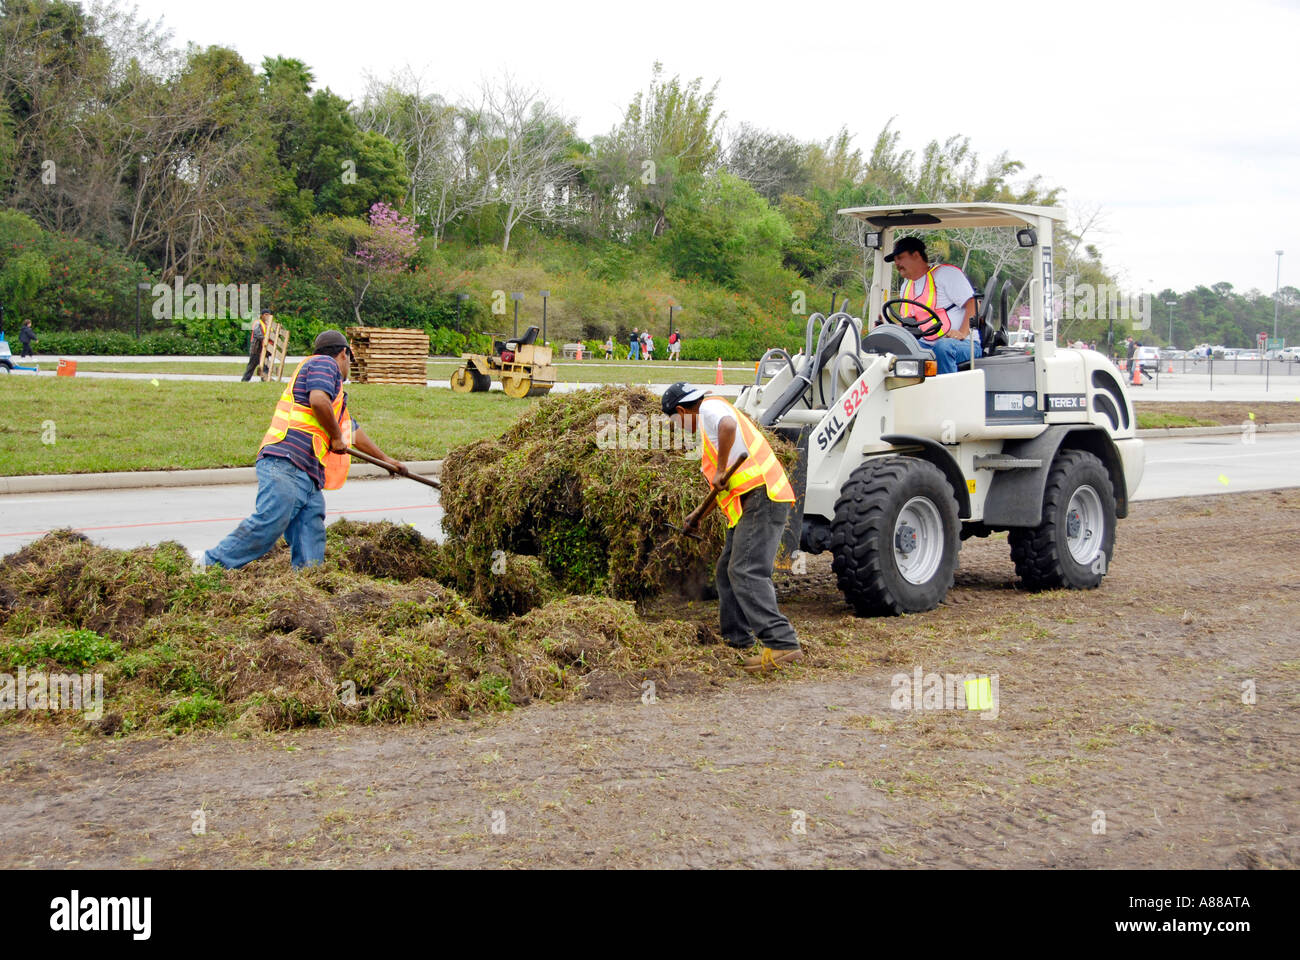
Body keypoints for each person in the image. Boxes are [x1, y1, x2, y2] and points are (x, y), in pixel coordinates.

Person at [202, 330, 408, 570]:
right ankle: (209, 564)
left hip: (308, 473)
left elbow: (350, 432)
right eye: (349, 360)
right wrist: (335, 437)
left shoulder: (335, 397)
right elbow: (318, 401)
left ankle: (310, 581)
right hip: (286, 461)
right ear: (344, 353)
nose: (348, 367)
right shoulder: (324, 364)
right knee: (271, 521)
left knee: (310, 531)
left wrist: (386, 460)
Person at [663, 382, 803, 674]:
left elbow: (728, 429)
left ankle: (781, 642)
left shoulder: (710, 409)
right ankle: (737, 639)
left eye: (676, 423)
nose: (679, 428)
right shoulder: (707, 427)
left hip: (764, 497)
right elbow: (722, 484)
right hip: (747, 505)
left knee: (746, 570)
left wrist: (721, 467)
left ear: (680, 411)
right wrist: (699, 514)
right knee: (727, 570)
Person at [885, 236, 979, 374]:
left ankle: (947, 394)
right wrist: (889, 329)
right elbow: (910, 322)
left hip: (962, 344)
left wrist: (962, 333)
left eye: (900, 257)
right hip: (925, 344)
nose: (896, 263)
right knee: (892, 350)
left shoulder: (946, 275)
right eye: (895, 260)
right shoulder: (906, 286)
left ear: (916, 255)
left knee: (943, 348)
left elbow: (973, 303)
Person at [241, 308, 273, 382]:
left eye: (268, 315)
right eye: (265, 315)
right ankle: (245, 380)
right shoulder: (258, 323)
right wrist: (265, 339)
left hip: (265, 350)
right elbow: (258, 334)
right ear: (261, 316)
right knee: (251, 366)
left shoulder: (269, 325)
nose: (267, 316)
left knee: (266, 366)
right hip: (256, 349)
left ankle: (265, 379)